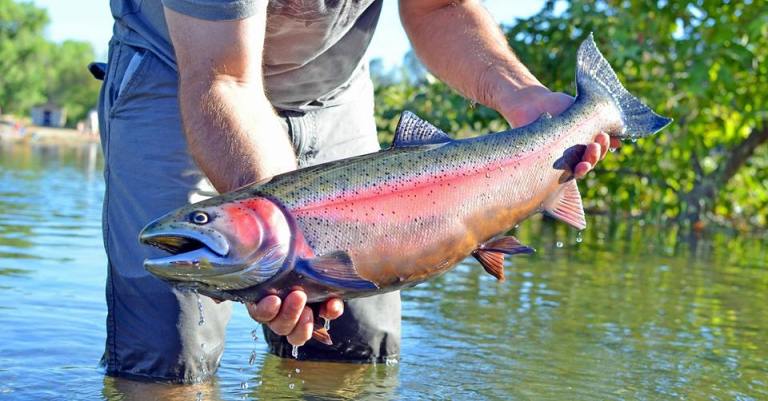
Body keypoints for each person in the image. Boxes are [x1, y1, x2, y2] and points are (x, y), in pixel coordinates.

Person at [97, 0, 617, 383]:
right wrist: (292, 249)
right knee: (170, 342)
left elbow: (440, 7)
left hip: (332, 86)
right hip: (186, 71)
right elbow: (224, 82)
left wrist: (523, 97)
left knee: (356, 346)